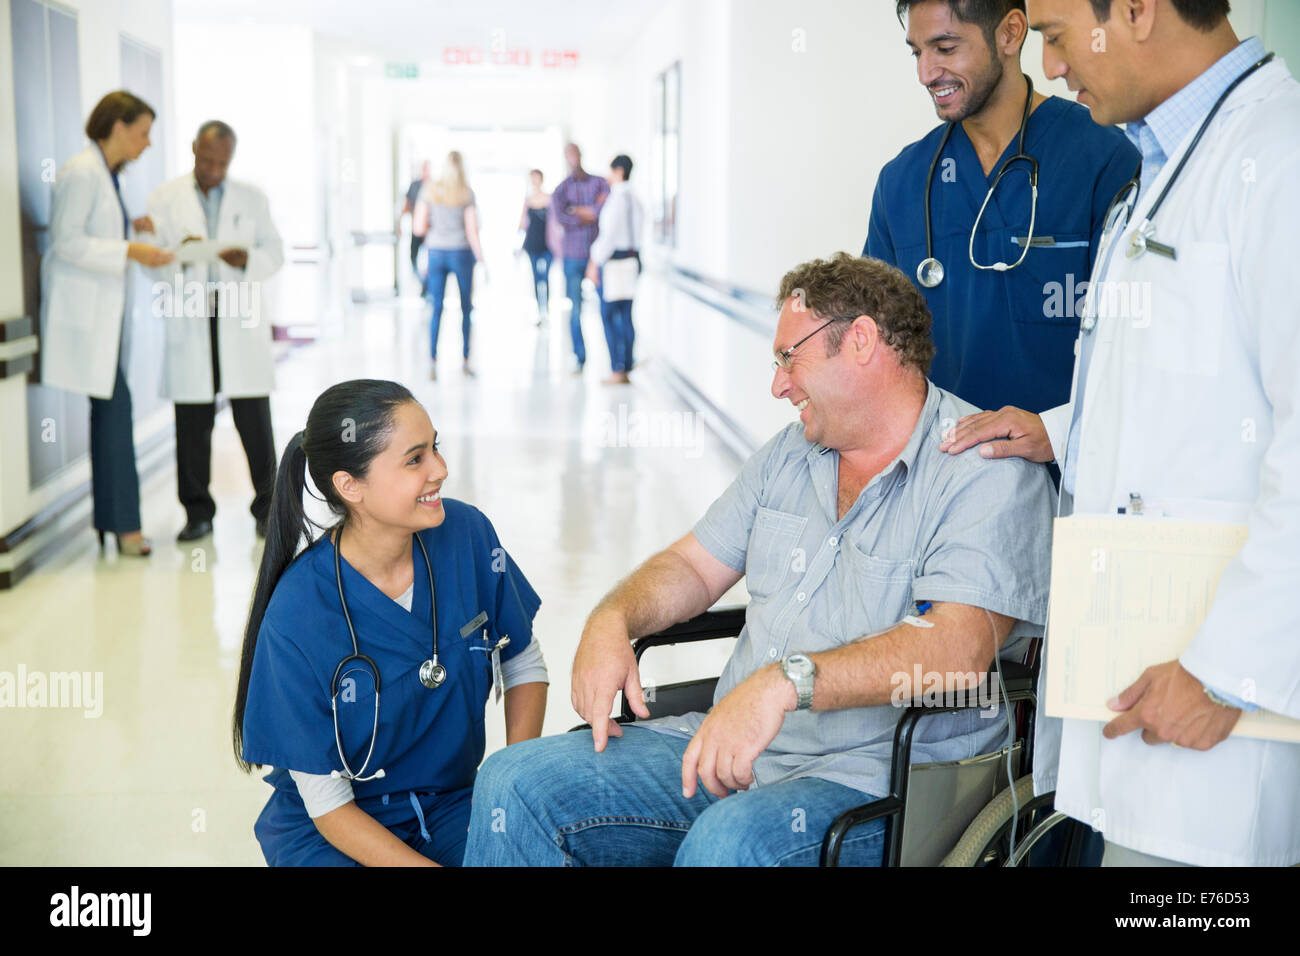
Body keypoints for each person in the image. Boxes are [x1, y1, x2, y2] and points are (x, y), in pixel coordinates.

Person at [463, 253, 1056, 866]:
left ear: (859, 341)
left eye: (787, 357)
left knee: (730, 844)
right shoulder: (790, 456)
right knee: (516, 783)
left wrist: (785, 684)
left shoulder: (982, 470)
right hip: (732, 749)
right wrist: (612, 618)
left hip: (885, 787)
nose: (778, 385)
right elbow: (694, 567)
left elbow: (957, 652)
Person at [942, 0, 1300, 867]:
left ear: (1135, 11)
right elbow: (1191, 391)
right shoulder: (1166, 165)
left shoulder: (1277, 161)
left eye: (1059, 38)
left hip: (1214, 711)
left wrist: (1225, 672)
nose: (1054, 69)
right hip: (1144, 683)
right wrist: (1061, 432)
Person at [233, 379, 548, 866]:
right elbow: (327, 804)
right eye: (414, 459)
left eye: (435, 449)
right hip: (336, 830)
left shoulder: (465, 534)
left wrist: (511, 786)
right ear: (349, 486)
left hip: (451, 806)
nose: (440, 470)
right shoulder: (299, 611)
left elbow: (522, 656)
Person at [866, 0, 1137, 415]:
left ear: (1010, 33)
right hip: (941, 470)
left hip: (1062, 469)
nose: (925, 73)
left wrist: (1055, 435)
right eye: (917, 52)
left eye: (945, 47)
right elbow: (872, 347)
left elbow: (1134, 342)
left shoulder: (1103, 158)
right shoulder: (902, 183)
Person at [40, 90, 174, 557]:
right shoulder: (81, 173)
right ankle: (125, 527)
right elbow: (67, 243)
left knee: (110, 416)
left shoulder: (106, 175)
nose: (147, 143)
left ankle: (114, 523)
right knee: (116, 415)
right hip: (87, 320)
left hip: (106, 321)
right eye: (142, 133)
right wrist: (131, 249)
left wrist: (130, 229)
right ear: (118, 127)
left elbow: (93, 234)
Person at [145, 120, 285, 542]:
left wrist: (246, 260)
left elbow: (274, 252)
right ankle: (198, 513)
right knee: (192, 423)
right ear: (192, 150)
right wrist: (180, 256)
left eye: (222, 163)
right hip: (190, 315)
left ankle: (269, 510)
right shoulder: (164, 198)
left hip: (237, 319)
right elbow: (154, 261)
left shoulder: (252, 198)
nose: (213, 170)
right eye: (207, 161)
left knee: (254, 422)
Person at [418, 152, 485, 379]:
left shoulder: (430, 190)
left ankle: (432, 362)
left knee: (436, 307)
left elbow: (418, 227)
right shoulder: (466, 193)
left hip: (436, 252)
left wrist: (434, 228)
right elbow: (472, 230)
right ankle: (466, 360)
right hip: (461, 252)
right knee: (466, 307)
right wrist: (482, 259)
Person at [551, 143, 610, 374]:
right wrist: (590, 212)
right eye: (569, 156)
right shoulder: (561, 190)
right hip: (572, 256)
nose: (573, 159)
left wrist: (577, 210)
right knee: (575, 310)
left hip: (597, 256)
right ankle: (580, 357)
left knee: (606, 306)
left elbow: (602, 211)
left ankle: (613, 362)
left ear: (581, 155)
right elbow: (563, 219)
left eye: (576, 154)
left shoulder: (599, 182)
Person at [586, 154, 644, 385]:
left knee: (609, 315)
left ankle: (617, 369)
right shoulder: (635, 199)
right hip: (632, 260)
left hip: (614, 262)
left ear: (619, 171)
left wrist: (594, 262)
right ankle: (626, 365)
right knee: (626, 315)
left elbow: (607, 237)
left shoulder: (616, 200)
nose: (608, 176)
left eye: (610, 171)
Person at [519, 169, 553, 325]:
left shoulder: (549, 199)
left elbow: (555, 222)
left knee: (546, 277)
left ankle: (547, 310)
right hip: (532, 243)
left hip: (547, 244)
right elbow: (523, 223)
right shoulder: (528, 200)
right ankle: (540, 312)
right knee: (536, 278)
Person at [402, 160, 432, 280]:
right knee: (413, 257)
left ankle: (427, 286)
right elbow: (407, 205)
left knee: (430, 259)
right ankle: (422, 281)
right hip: (416, 228)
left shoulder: (434, 186)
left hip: (430, 230)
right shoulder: (414, 185)